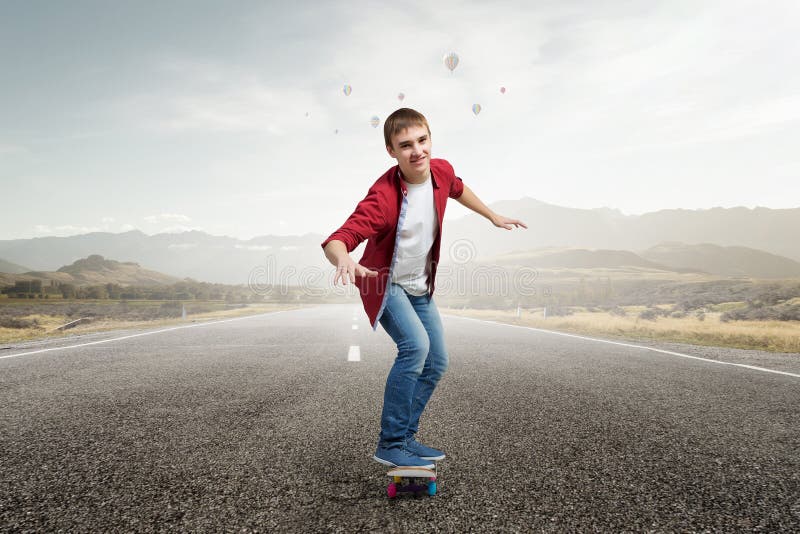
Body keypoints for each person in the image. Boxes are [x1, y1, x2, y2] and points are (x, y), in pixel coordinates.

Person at [321, 108, 527, 468]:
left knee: (437, 361)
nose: (417, 151)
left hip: (420, 286)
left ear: (430, 139)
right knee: (415, 348)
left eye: (422, 140)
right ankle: (390, 442)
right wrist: (343, 258)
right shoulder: (383, 198)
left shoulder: (440, 171)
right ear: (391, 151)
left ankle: (406, 438)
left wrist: (492, 215)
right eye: (405, 145)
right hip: (386, 284)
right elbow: (338, 238)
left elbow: (458, 188)